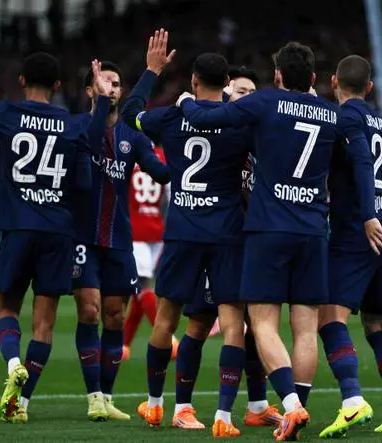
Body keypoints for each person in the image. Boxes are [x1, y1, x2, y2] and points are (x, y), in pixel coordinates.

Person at [177, 41, 382, 441]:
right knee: (306, 329)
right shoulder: (332, 113)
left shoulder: (264, 102)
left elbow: (209, 118)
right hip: (313, 232)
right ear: (313, 78)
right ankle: (299, 409)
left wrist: (185, 101)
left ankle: (291, 407)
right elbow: (362, 159)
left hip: (268, 230)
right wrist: (369, 214)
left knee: (262, 324)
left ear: (277, 76)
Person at [0, 29, 108, 423]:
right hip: (58, 232)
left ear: (21, 80)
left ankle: (13, 364)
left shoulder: (6, 113)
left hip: (18, 227)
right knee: (44, 323)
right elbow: (94, 138)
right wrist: (103, 98)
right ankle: (20, 405)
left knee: (6, 307)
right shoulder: (72, 124)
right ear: (58, 86)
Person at [121, 30, 252, 437]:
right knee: (232, 324)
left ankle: (156, 405)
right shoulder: (239, 122)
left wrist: (152, 70)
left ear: (193, 81)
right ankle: (224, 417)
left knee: (166, 318)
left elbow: (130, 114)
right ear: (226, 83)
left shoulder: (170, 118)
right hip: (226, 232)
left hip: (182, 231)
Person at [174, 67, 281, 430]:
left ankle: (257, 405)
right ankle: (183, 407)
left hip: (253, 244)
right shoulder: (222, 134)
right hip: (219, 240)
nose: (246, 97)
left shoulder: (259, 137)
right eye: (240, 91)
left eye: (252, 92)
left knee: (256, 325)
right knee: (201, 321)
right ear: (226, 95)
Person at [317, 54, 382, 438]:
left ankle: (352, 400)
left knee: (329, 319)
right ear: (369, 87)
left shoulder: (344, 119)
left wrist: (366, 213)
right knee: (376, 323)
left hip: (358, 232)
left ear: (333, 81)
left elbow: (360, 165)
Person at [71, 59, 170, 422]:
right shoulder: (79, 128)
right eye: (103, 82)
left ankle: (108, 397)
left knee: (115, 316)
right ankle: (93, 396)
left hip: (118, 238)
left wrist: (181, 147)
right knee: (89, 311)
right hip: (83, 237)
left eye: (115, 84)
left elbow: (160, 173)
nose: (110, 88)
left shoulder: (133, 138)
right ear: (90, 90)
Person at [122, 144, 179, 361]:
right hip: (157, 229)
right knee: (139, 288)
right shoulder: (164, 157)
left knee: (143, 287)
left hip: (135, 230)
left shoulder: (130, 153)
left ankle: (168, 340)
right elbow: (171, 196)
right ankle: (124, 344)